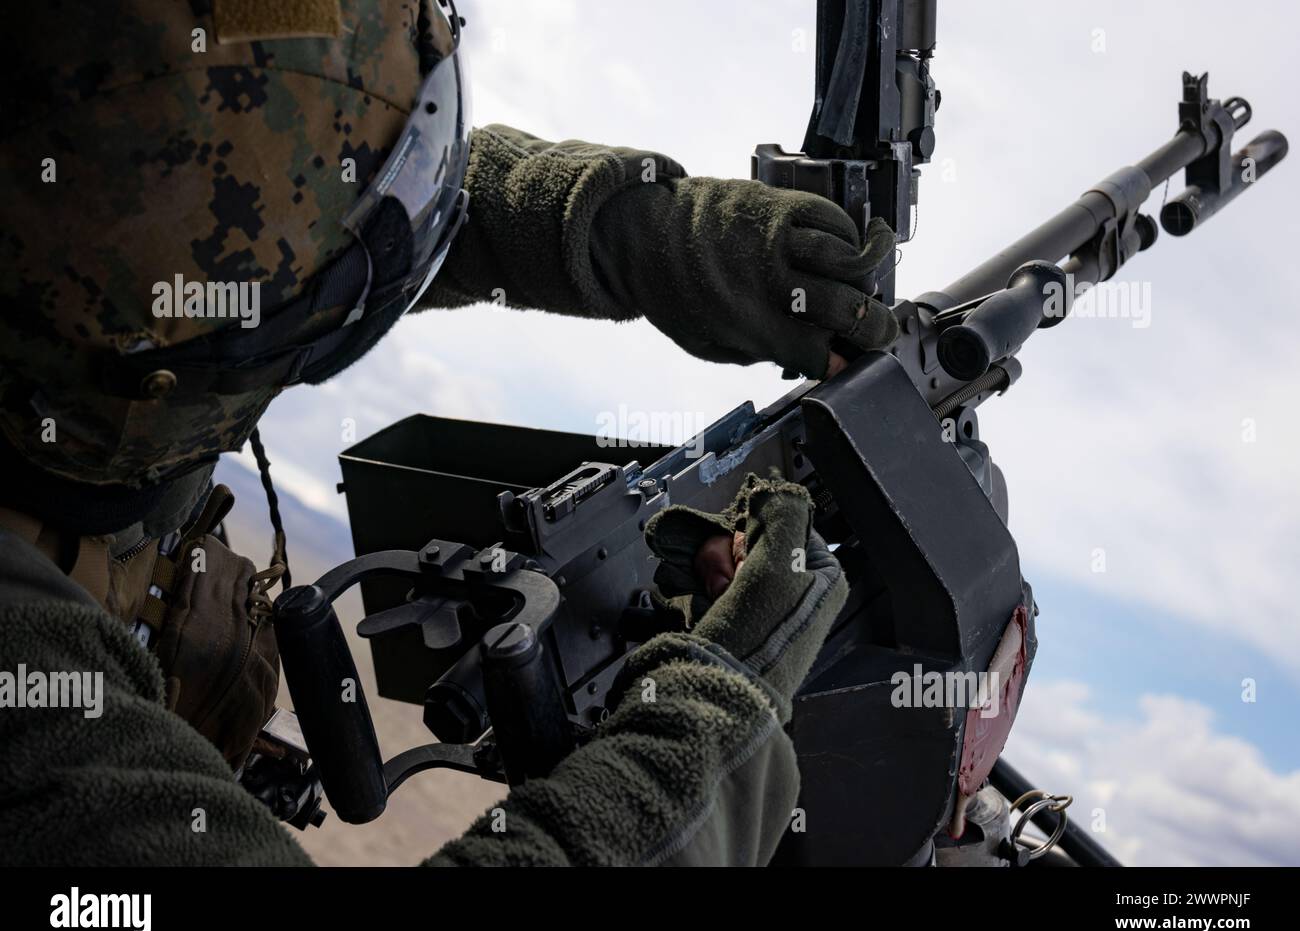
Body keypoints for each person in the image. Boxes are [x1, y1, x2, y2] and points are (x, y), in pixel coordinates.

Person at [0, 0, 897, 865]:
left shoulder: (82, 304)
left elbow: (322, 191)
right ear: (194, 359)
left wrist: (654, 236)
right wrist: (713, 717)